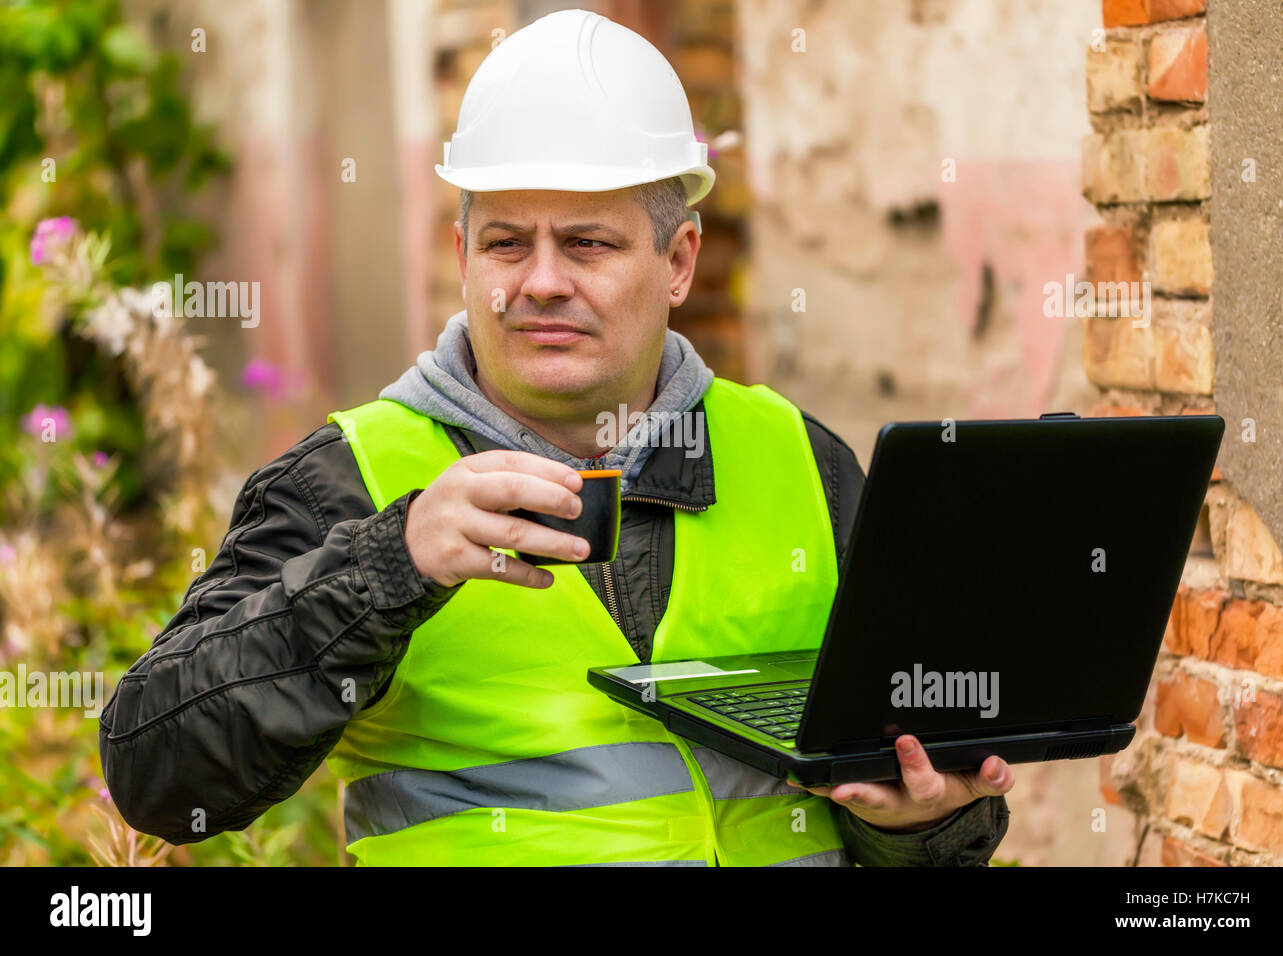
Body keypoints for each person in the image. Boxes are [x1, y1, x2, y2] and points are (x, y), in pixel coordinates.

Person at [100, 7, 1012, 866]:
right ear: (461, 260)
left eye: (587, 245)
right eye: (505, 243)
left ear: (680, 261)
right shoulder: (348, 481)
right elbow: (156, 771)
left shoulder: (803, 464)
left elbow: (911, 797)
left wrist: (927, 823)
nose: (540, 282)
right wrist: (388, 566)